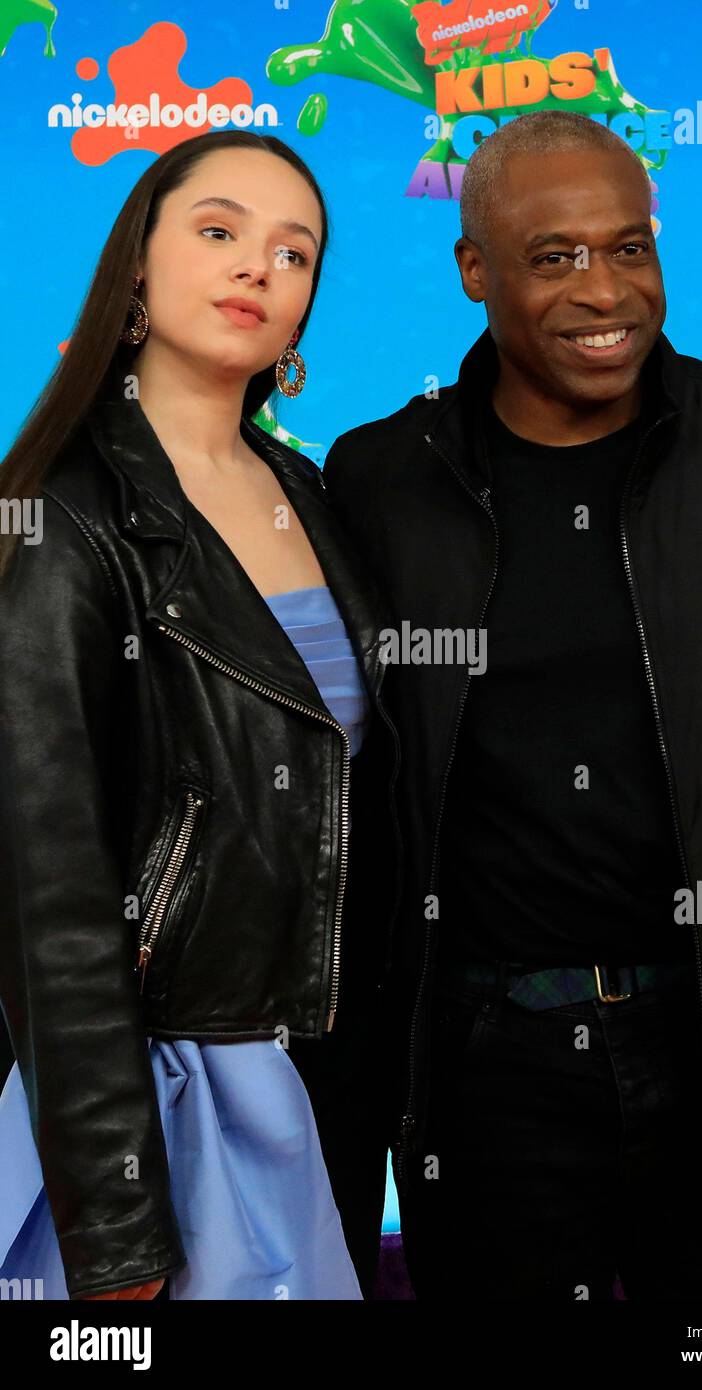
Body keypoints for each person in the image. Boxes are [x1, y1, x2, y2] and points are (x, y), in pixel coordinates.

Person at [322, 110, 702, 1300]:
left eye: (627, 248)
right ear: (473, 268)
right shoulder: (376, 479)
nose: (601, 289)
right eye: (553, 256)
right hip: (486, 1080)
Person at [0, 129, 401, 1301]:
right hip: (154, 1101)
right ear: (136, 267)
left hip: (303, 1087)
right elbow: (50, 903)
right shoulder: (58, 522)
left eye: (295, 253)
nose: (257, 269)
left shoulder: (312, 493)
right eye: (218, 232)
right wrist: (116, 1230)